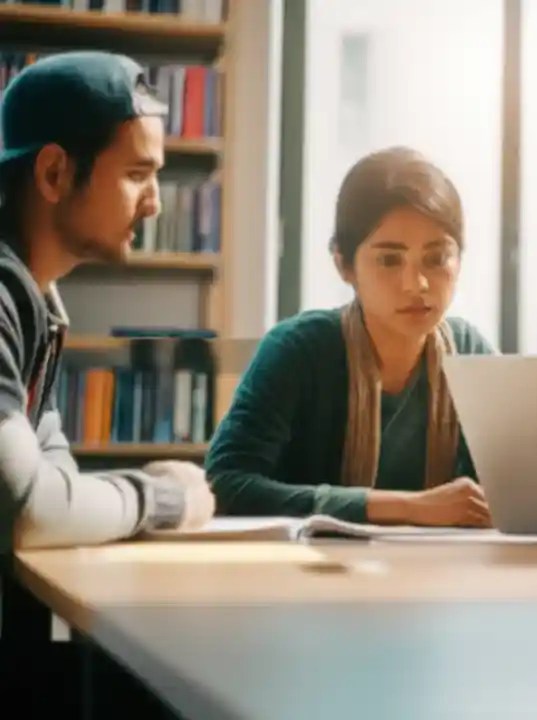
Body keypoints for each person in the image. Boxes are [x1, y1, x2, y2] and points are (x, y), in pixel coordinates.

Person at [206, 147, 496, 527]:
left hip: (437, 573)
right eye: (390, 260)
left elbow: (512, 484)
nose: (417, 284)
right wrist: (408, 507)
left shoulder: (470, 353)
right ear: (344, 264)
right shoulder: (298, 349)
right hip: (309, 573)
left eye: (437, 257)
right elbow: (224, 485)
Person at [0, 52, 214, 553]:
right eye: (137, 174)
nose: (156, 202)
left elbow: (55, 487)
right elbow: (26, 506)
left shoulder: (35, 303)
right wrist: (164, 501)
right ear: (53, 173)